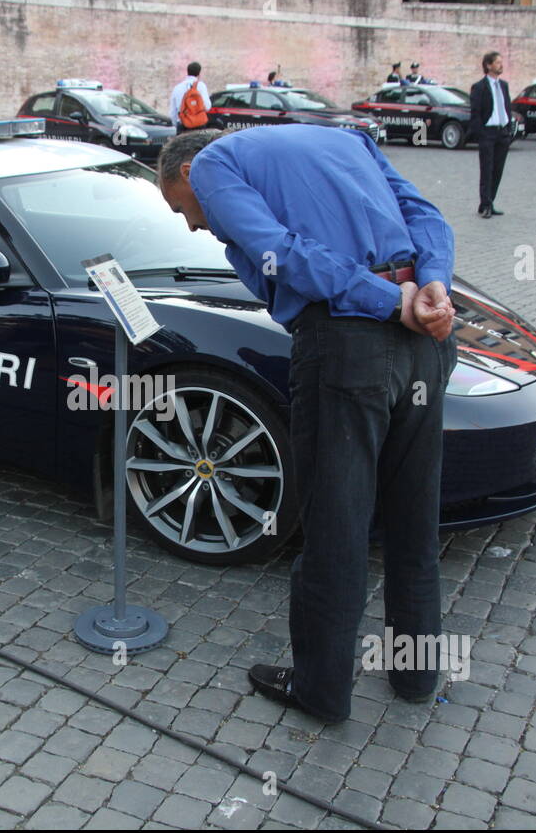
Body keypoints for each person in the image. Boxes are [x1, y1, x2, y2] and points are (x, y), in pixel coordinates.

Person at [155, 125, 455, 723]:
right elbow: (426, 216)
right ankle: (417, 676)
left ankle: (321, 689)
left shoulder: (212, 164)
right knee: (414, 517)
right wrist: (432, 285)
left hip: (348, 345)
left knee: (335, 527)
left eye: (179, 209)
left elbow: (282, 251)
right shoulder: (347, 140)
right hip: (425, 340)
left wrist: (383, 300)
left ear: (188, 176)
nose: (191, 223)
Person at [469, 52, 513, 219]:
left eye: (501, 62)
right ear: (488, 65)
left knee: (498, 171)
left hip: (502, 133)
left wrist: (508, 129)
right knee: (486, 170)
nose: (501, 65)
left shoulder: (504, 85)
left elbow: (506, 106)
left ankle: (490, 202)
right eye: (497, 62)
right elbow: (475, 113)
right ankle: (485, 204)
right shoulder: (479, 87)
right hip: (488, 133)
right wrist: (481, 133)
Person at [169, 62, 211, 134]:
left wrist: (176, 124)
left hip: (182, 125)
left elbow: (173, 112)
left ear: (187, 72)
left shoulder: (177, 88)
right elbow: (207, 107)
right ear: (199, 73)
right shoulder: (201, 86)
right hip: (198, 126)